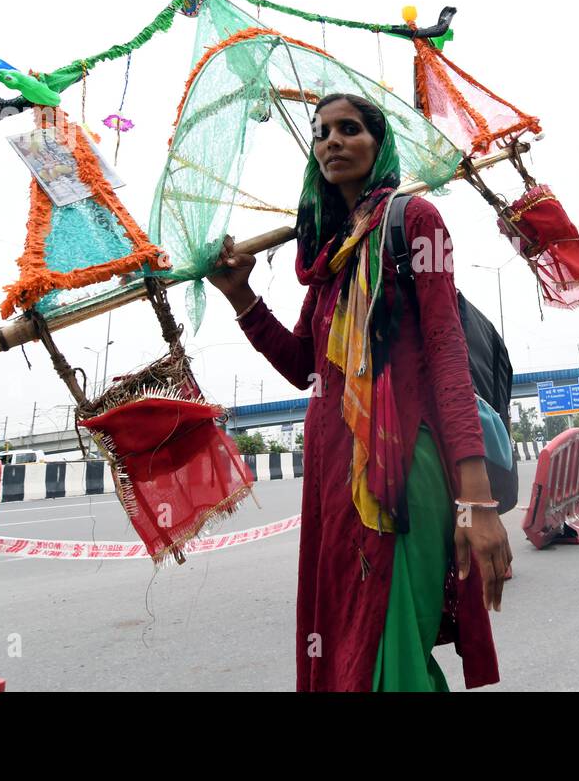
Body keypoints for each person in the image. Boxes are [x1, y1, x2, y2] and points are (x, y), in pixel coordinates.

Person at [209, 93, 510, 692]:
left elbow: (448, 357)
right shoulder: (331, 259)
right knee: (350, 645)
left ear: (380, 145)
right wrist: (240, 297)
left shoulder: (414, 220)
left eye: (350, 129)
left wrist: (476, 502)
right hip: (334, 483)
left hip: (402, 473)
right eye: (322, 132)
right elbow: (304, 366)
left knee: (390, 652)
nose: (332, 141)